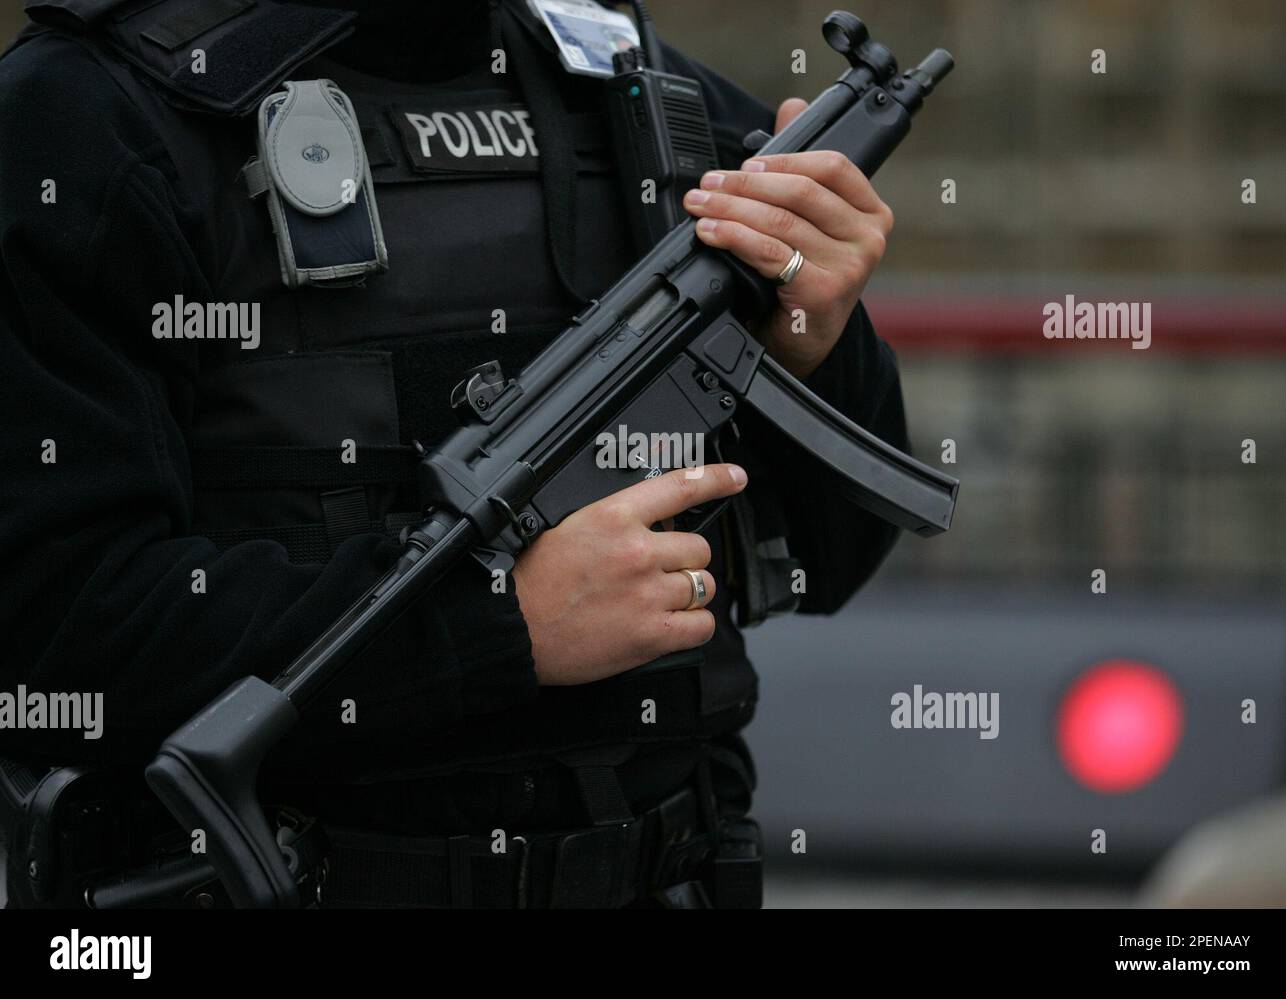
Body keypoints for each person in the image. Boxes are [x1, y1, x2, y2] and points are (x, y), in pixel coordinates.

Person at [0, 0, 907, 907]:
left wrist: (817, 345)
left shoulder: (635, 91)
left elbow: (832, 562)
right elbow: (54, 631)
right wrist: (494, 625)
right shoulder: (87, 116)